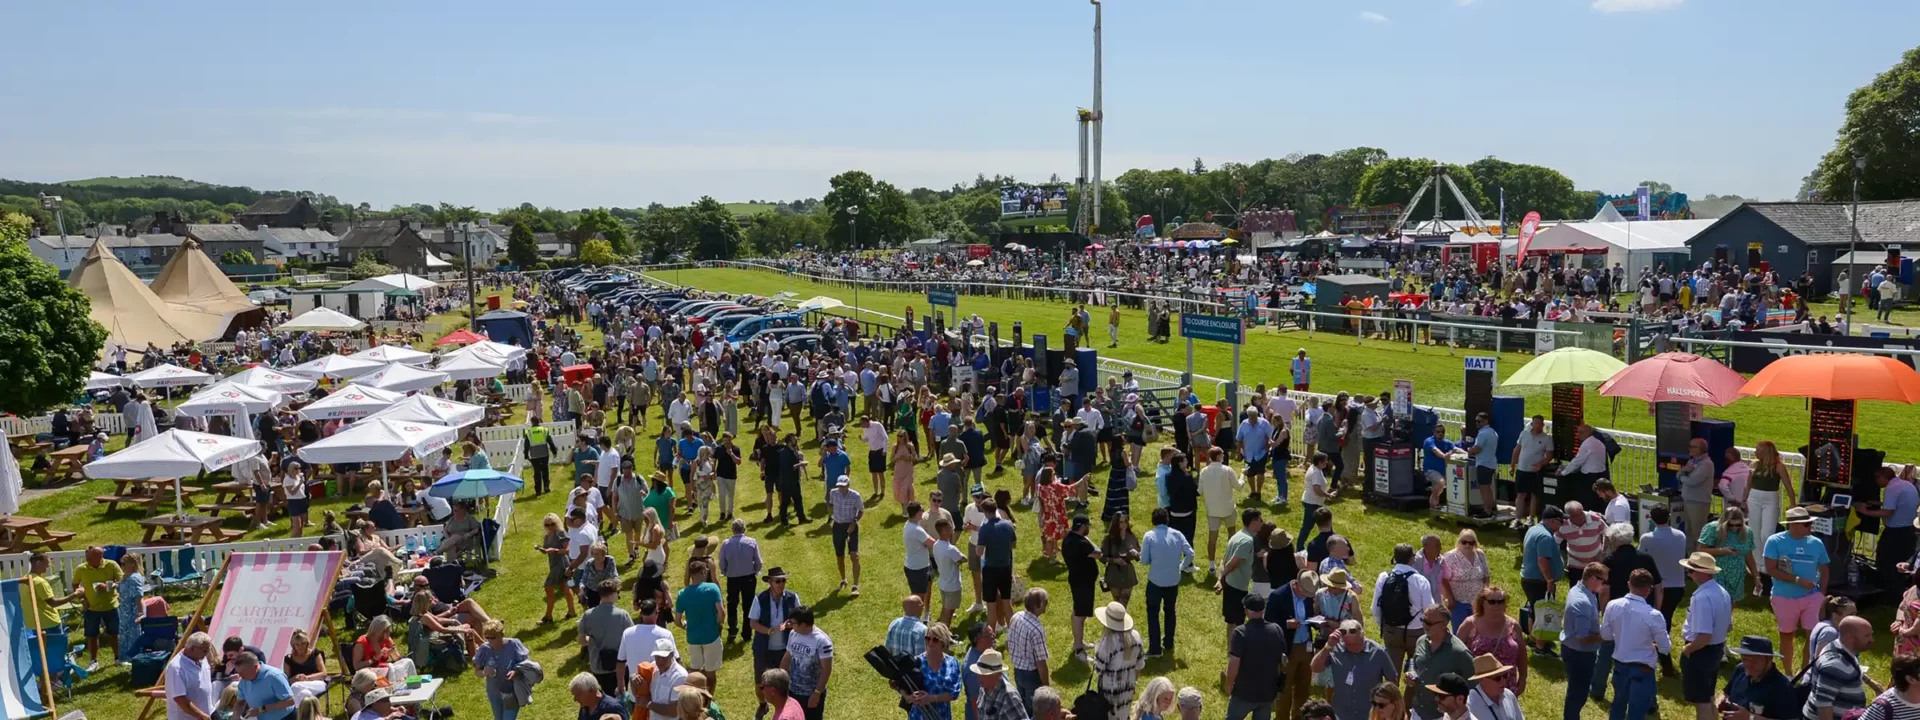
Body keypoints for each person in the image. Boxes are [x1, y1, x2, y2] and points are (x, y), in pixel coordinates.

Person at [1764, 506, 1829, 672]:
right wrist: (1797, 580)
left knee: (1813, 635)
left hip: (1812, 596)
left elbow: (1825, 569)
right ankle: (1788, 673)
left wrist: (1821, 594)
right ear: (1795, 525)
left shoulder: (1816, 543)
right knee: (1787, 635)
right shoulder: (1774, 541)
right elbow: (1770, 569)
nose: (1811, 527)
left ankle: (1806, 671)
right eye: (1807, 524)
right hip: (1783, 596)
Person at [1600, 569, 1668, 720]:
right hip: (1643, 668)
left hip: (1620, 664)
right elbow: (1665, 647)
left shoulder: (1612, 605)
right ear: (1649, 589)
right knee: (1637, 712)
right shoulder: (1654, 615)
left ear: (1629, 584)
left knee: (1617, 705)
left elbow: (1605, 635)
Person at [1679, 551, 1733, 720]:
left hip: (1701, 652)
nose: (1689, 574)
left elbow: (1704, 635)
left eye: (1691, 571)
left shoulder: (1702, 598)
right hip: (1716, 649)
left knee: (1701, 702)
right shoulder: (1722, 591)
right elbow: (1729, 626)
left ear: (1702, 573)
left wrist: (1688, 649)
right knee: (1708, 696)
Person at [1371, 542, 1436, 675]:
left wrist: (1383, 624)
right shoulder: (1420, 580)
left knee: (1392, 672)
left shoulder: (1384, 577)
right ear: (1412, 559)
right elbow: (1429, 610)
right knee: (1415, 673)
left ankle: (1391, 695)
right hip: (1415, 632)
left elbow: (1375, 607)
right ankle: (1409, 695)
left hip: (1391, 630)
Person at [1310, 619, 1393, 720]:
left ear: (1363, 635)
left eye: (1357, 644)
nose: (1354, 648)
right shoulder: (1335, 649)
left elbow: (1392, 683)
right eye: (1349, 645)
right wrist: (1328, 646)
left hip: (1370, 715)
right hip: (1342, 714)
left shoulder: (1379, 652)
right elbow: (1315, 667)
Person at [1139, 507, 1193, 658]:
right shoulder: (1177, 534)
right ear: (1167, 520)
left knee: (1153, 613)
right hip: (1173, 581)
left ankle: (1155, 648)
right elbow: (1190, 553)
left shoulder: (1149, 536)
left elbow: (1144, 561)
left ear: (1153, 521)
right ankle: (1169, 642)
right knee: (1170, 611)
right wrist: (1181, 567)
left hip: (1155, 581)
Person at [748, 568, 801, 717]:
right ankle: (763, 705)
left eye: (783, 580)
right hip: (763, 649)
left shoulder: (792, 597)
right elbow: (753, 623)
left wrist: (791, 624)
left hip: (785, 650)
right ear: (770, 582)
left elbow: (799, 619)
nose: (781, 584)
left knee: (786, 682)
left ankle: (786, 710)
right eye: (778, 581)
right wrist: (770, 631)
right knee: (761, 683)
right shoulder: (760, 599)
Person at [1859, 465, 1919, 596]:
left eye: (1877, 478)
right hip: (1909, 530)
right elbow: (1900, 505)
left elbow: (1888, 512)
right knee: (1904, 562)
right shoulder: (1906, 485)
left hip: (1895, 533)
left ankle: (1887, 592)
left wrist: (1866, 511)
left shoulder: (1891, 489)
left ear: (1883, 477)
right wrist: (1877, 503)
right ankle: (1901, 590)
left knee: (1886, 561)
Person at [1561, 563, 1609, 720]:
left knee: (1577, 691)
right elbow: (1582, 637)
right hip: (1579, 654)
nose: (1604, 585)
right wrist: (1606, 635)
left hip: (1574, 650)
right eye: (1603, 582)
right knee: (1578, 694)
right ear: (1593, 578)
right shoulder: (1583, 602)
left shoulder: (1580, 589)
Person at [1224, 594, 1283, 720]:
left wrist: (1229, 684)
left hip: (1243, 693)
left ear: (1246, 611)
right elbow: (1281, 661)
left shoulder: (1240, 632)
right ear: (1263, 610)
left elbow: (1234, 662)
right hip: (1267, 693)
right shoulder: (1276, 630)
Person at [1806, 616, 1875, 720]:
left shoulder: (1839, 648)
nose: (1871, 640)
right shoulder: (1835, 665)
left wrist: (1873, 684)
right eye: (1867, 636)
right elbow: (1823, 705)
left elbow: (1851, 670)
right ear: (1850, 637)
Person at [1519, 505, 1565, 653]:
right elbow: (1543, 560)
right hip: (1539, 581)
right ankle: (1541, 647)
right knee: (1543, 614)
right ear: (1552, 521)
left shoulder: (1533, 529)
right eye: (1561, 521)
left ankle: (1534, 639)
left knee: (1534, 609)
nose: (1562, 525)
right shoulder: (1545, 536)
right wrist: (1550, 580)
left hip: (1529, 578)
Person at [675, 560, 726, 692]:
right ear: (703, 572)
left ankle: (693, 697)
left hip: (693, 638)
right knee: (711, 674)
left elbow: (677, 620)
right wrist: (719, 623)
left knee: (694, 671)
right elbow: (721, 612)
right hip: (711, 637)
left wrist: (684, 626)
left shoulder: (682, 593)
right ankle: (709, 699)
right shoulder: (713, 588)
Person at [71, 544, 124, 668]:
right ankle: (93, 661)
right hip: (91, 607)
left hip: (110, 605)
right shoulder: (81, 568)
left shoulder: (111, 565)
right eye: (87, 557)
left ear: (100, 556)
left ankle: (118, 658)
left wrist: (109, 586)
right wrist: (83, 599)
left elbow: (122, 580)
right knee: (92, 635)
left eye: (91, 557)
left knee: (114, 634)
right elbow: (75, 584)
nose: (87, 559)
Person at [1717, 636, 1795, 720]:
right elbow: (1725, 692)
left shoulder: (1782, 686)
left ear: (1769, 659)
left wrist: (1750, 718)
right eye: (1744, 659)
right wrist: (1720, 700)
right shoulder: (1740, 669)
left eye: (1754, 661)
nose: (1748, 665)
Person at [1090, 602, 1144, 720]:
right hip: (1128, 687)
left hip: (1109, 692)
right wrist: (1133, 682)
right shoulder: (1136, 637)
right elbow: (1139, 665)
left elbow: (1099, 670)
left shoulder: (1108, 642)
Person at [579, 579, 633, 693]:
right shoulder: (623, 615)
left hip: (598, 666)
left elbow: (582, 640)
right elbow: (631, 639)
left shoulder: (588, 615)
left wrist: (592, 640)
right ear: (613, 594)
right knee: (622, 697)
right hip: (620, 665)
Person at [779, 605, 832, 720]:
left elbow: (826, 669)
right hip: (792, 691)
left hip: (810, 694)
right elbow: (788, 656)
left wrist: (817, 693)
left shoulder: (822, 641)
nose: (790, 625)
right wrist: (780, 682)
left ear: (803, 624)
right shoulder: (793, 634)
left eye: (793, 623)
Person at [899, 623, 962, 720]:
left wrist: (932, 698)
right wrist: (908, 697)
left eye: (935, 639)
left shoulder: (952, 663)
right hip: (918, 716)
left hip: (942, 715)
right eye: (927, 638)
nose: (930, 642)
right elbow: (898, 683)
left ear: (943, 642)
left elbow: (954, 693)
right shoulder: (917, 662)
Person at [1198, 447, 1245, 574]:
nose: (1224, 456)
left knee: (1212, 537)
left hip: (1212, 510)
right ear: (1218, 456)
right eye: (1222, 454)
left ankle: (1212, 566)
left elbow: (1200, 491)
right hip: (1228, 508)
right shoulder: (1227, 470)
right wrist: (1243, 475)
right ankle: (1231, 561)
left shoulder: (1204, 471)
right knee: (1232, 535)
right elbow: (1239, 486)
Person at [473, 620, 531, 720]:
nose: (490, 641)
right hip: (494, 692)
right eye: (487, 638)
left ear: (501, 635)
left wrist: (516, 672)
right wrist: (484, 672)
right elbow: (477, 671)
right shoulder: (484, 649)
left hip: (512, 690)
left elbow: (527, 665)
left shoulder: (513, 644)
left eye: (493, 637)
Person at [1698, 506, 1760, 598]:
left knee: (1730, 605)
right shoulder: (1712, 528)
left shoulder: (1747, 532)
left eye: (1738, 525)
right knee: (1717, 602)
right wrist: (1722, 551)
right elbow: (1701, 551)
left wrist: (1756, 577)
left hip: (1737, 575)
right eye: (1730, 525)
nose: (1734, 528)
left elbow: (1749, 555)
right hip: (1716, 573)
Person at [1007, 588, 1051, 714]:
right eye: (1045, 602)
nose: (1047, 603)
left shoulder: (1016, 616)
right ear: (1036, 605)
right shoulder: (1036, 630)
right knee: (1033, 712)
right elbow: (1041, 664)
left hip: (1017, 671)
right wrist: (1046, 688)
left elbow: (1008, 642)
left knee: (1021, 708)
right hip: (1031, 676)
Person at [1061, 514, 1099, 657]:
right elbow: (1098, 553)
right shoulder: (1082, 543)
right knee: (1080, 615)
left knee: (1077, 611)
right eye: (1087, 526)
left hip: (1077, 579)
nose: (1088, 528)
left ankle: (1079, 642)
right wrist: (1088, 539)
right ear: (1083, 527)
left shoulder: (1068, 539)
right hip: (1083, 582)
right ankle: (1078, 648)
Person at [718, 518, 762, 644]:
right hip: (748, 577)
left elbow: (722, 562)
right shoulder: (752, 542)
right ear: (744, 529)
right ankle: (747, 633)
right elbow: (759, 562)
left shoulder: (726, 544)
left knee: (732, 604)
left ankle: (732, 630)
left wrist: (725, 571)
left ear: (732, 530)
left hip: (732, 579)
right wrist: (755, 570)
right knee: (748, 605)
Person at [978, 500, 1019, 630]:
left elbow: (979, 552)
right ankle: (1013, 633)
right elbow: (1013, 544)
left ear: (985, 512)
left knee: (991, 606)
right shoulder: (1008, 525)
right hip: (1005, 568)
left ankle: (992, 637)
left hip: (990, 570)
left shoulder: (985, 528)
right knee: (1007, 603)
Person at [1439, 530, 1488, 631]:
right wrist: (1450, 598)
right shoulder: (1450, 556)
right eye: (1464, 542)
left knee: (1478, 631)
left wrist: (1486, 594)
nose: (1467, 545)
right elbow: (1443, 579)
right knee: (1460, 631)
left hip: (1477, 601)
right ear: (1459, 541)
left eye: (1471, 543)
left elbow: (1486, 576)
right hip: (1458, 602)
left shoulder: (1480, 554)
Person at [1511, 415, 1551, 526]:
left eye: (1540, 424)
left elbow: (1549, 455)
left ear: (1543, 425)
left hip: (1535, 471)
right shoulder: (1524, 434)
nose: (1538, 426)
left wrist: (1541, 464)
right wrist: (1512, 465)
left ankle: (1531, 518)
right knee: (1520, 494)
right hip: (1522, 469)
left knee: (1534, 495)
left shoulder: (1547, 438)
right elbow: (1517, 449)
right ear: (1532, 424)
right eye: (1536, 423)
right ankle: (1517, 519)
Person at [827, 476, 864, 596]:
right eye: (840, 486)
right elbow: (831, 505)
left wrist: (854, 521)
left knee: (854, 555)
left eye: (844, 486)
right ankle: (843, 579)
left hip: (851, 526)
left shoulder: (855, 495)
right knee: (840, 555)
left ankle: (855, 585)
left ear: (848, 485)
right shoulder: (833, 493)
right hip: (837, 527)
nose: (841, 488)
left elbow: (861, 510)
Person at [166, 633, 216, 720]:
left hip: (208, 712)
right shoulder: (176, 668)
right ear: (193, 648)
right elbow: (180, 699)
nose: (207, 652)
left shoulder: (201, 658)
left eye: (209, 649)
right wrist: (200, 715)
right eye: (205, 650)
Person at [1679, 439, 1715, 553]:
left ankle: (1700, 559)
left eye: (1692, 446)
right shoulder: (1692, 462)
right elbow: (1679, 473)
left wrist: (1681, 476)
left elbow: (1692, 481)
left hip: (1698, 503)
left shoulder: (1707, 464)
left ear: (1699, 449)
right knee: (1689, 531)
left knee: (1698, 533)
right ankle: (1690, 556)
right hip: (1688, 500)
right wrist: (1683, 472)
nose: (1689, 449)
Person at [970, 648, 1027, 720]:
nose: (979, 676)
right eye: (979, 672)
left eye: (984, 673)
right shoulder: (983, 687)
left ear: (997, 675)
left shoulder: (1009, 696)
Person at [1461, 412, 1498, 518]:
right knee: (1488, 488)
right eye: (1476, 421)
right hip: (1490, 463)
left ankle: (1487, 511)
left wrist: (1469, 450)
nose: (1477, 423)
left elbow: (1477, 449)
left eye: (1479, 421)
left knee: (1484, 488)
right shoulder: (1492, 432)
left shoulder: (1483, 434)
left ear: (1486, 421)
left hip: (1484, 464)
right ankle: (1490, 509)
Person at [1463, 653, 1521, 720]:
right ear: (1482, 679)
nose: (1503, 681)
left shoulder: (1509, 695)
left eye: (1505, 675)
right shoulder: (1469, 704)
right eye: (1497, 678)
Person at [905, 501, 939, 609]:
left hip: (913, 565)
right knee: (918, 598)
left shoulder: (908, 525)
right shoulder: (917, 530)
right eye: (921, 510)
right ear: (917, 513)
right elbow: (933, 543)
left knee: (917, 596)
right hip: (918, 568)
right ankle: (912, 616)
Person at [644, 638, 688, 720]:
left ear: (672, 654)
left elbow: (674, 711)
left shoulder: (680, 677)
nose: (660, 661)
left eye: (664, 657)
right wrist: (634, 679)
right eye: (657, 657)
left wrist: (648, 704)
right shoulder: (653, 667)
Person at [1300, 452, 1332, 541]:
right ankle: (1299, 547)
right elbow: (1317, 490)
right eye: (1326, 461)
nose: (1327, 462)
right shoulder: (1316, 473)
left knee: (1324, 524)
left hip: (1313, 501)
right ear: (1320, 462)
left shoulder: (1315, 468)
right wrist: (1328, 495)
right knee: (1307, 526)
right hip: (1312, 503)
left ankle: (1327, 542)